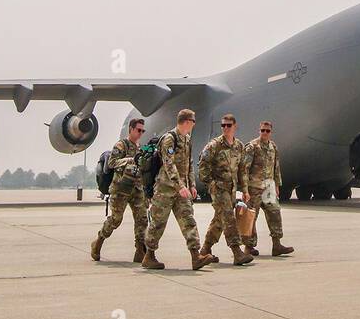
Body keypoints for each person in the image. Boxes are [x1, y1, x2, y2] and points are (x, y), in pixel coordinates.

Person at [141, 109, 217, 271]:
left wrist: (192, 185)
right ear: (187, 122)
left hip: (182, 189)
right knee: (158, 223)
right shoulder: (169, 139)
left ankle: (196, 256)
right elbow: (169, 165)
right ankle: (149, 256)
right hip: (165, 189)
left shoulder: (187, 139)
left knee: (188, 220)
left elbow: (189, 164)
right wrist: (180, 186)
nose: (195, 124)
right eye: (194, 121)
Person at [198, 114, 253, 266]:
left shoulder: (239, 146)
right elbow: (202, 165)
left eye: (228, 125)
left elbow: (242, 170)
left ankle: (205, 250)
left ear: (235, 126)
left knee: (219, 221)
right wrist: (211, 183)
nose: (225, 128)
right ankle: (237, 252)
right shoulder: (214, 145)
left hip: (232, 190)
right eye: (223, 126)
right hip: (219, 189)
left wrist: (246, 190)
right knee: (229, 218)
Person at [91, 119, 148, 262]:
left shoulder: (141, 148)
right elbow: (111, 163)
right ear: (131, 129)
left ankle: (140, 250)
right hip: (121, 188)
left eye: (143, 131)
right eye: (138, 130)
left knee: (142, 219)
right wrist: (129, 160)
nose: (140, 133)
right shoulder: (121, 145)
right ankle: (98, 241)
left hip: (136, 189)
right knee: (116, 219)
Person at [242, 121, 293, 256]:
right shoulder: (252, 147)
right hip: (254, 187)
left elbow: (276, 167)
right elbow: (244, 168)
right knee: (251, 217)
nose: (265, 133)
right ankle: (249, 247)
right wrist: (245, 189)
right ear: (259, 131)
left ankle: (277, 245)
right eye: (263, 130)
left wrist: (277, 185)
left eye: (267, 131)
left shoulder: (273, 147)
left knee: (275, 212)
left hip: (268, 188)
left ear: (271, 132)